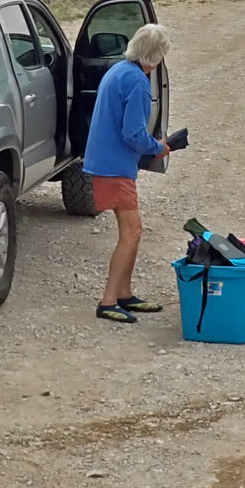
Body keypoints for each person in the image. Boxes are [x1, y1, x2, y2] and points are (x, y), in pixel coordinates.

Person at [82, 24, 172, 324]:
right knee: (131, 233)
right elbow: (134, 133)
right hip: (115, 167)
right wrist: (158, 147)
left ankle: (124, 293)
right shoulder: (138, 82)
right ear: (156, 56)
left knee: (131, 232)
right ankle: (108, 300)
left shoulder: (118, 70)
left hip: (105, 162)